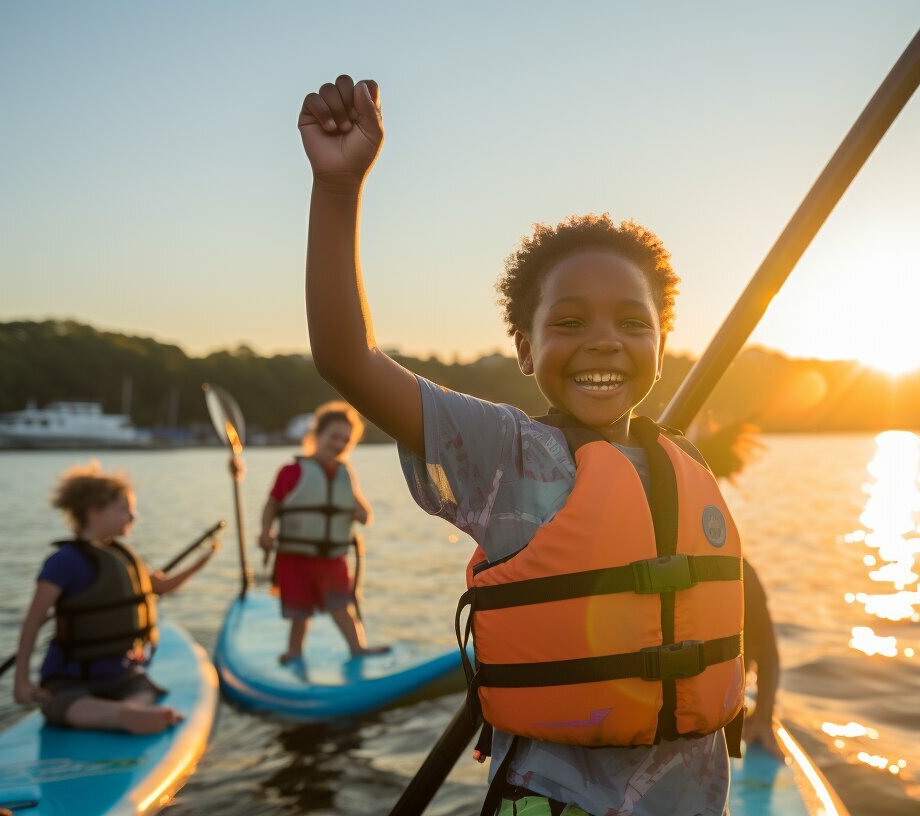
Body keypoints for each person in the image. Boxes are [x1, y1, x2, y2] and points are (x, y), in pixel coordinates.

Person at [299, 74, 773, 816]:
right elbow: (345, 357)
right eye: (571, 322)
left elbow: (733, 594)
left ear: (661, 341)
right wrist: (338, 189)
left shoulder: (684, 462)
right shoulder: (500, 452)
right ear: (526, 348)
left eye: (632, 322)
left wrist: (765, 701)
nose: (605, 343)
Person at [11, 462, 216, 734]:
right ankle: (123, 714)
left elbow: (162, 587)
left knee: (144, 687)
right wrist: (21, 682)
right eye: (124, 508)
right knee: (62, 703)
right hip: (70, 679)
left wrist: (202, 562)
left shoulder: (124, 557)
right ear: (95, 512)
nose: (133, 516)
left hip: (119, 676)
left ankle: (125, 711)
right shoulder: (64, 561)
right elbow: (34, 619)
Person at [256, 401, 386, 664]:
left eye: (346, 440)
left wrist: (356, 513)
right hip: (294, 558)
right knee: (299, 613)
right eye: (334, 436)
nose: (339, 444)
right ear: (317, 435)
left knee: (341, 607)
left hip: (332, 559)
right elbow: (271, 505)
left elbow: (365, 514)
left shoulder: (345, 474)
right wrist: (265, 532)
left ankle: (358, 649)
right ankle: (294, 653)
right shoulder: (290, 472)